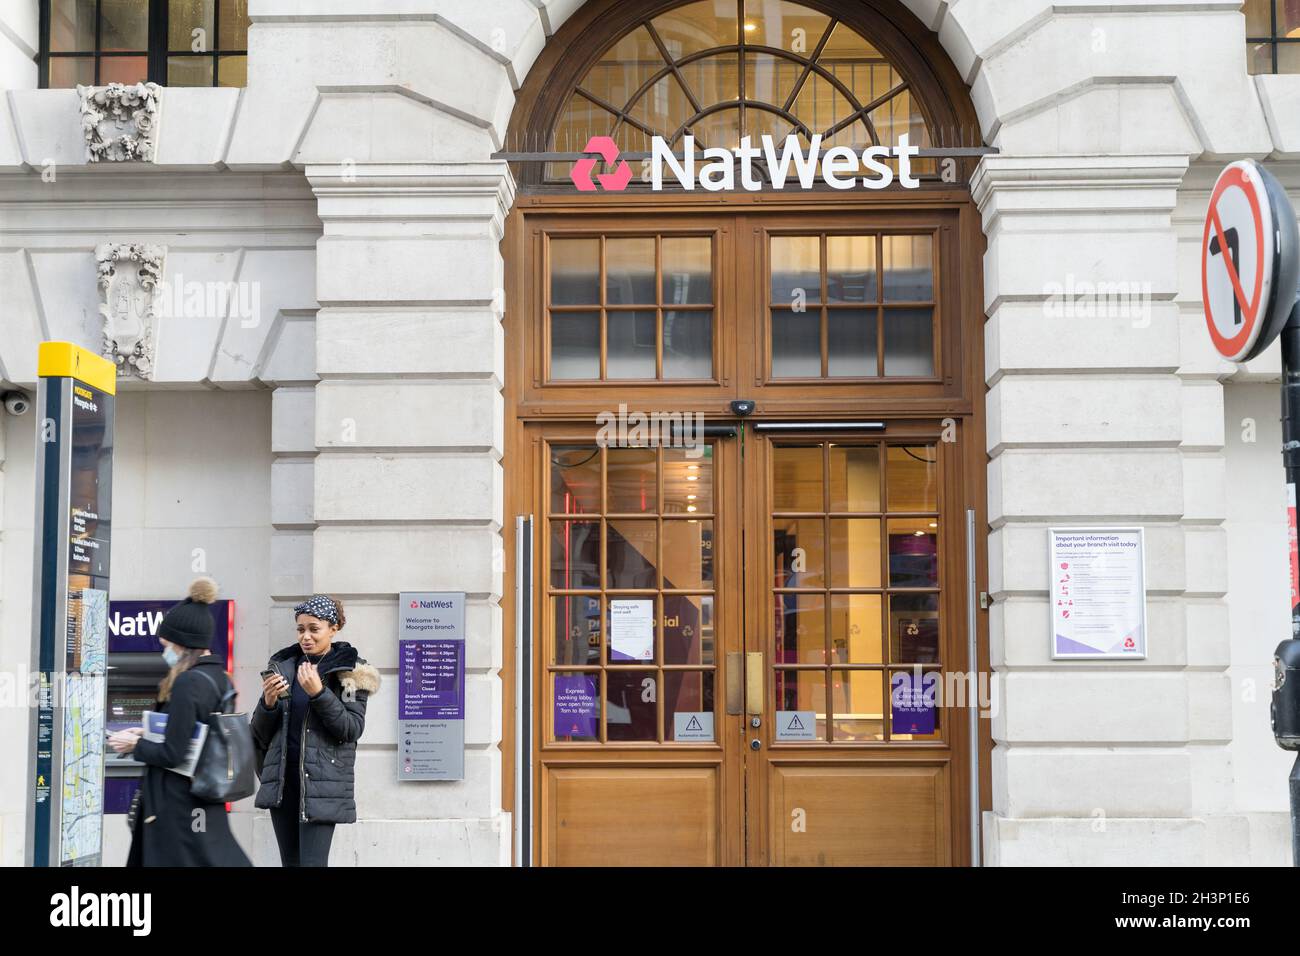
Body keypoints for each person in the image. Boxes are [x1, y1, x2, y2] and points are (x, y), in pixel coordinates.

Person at [109, 577, 252, 867]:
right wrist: (147, 731)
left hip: (175, 805)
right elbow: (193, 736)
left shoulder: (188, 682)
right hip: (200, 799)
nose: (165, 652)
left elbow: (173, 753)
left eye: (167, 645)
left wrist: (135, 743)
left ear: (183, 645)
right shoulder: (219, 679)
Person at [252, 594, 379, 867]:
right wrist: (268, 703)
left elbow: (351, 728)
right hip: (284, 784)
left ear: (333, 629)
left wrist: (319, 693)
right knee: (291, 863)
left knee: (312, 864)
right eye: (300, 629)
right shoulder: (283, 667)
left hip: (321, 785)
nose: (306, 637)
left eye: (314, 629)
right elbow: (259, 735)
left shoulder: (350, 673)